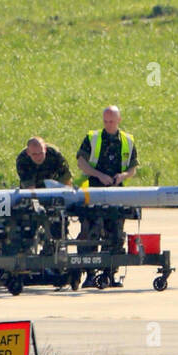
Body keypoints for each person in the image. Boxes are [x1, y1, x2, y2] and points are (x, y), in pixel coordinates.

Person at [75, 106, 138, 287]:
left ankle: (110, 274)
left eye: (111, 121)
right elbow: (81, 163)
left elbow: (133, 167)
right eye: (105, 121)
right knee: (91, 233)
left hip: (117, 194)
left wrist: (123, 176)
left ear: (119, 120)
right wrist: (98, 175)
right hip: (94, 193)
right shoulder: (92, 138)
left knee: (116, 234)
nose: (108, 124)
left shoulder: (128, 140)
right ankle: (89, 274)